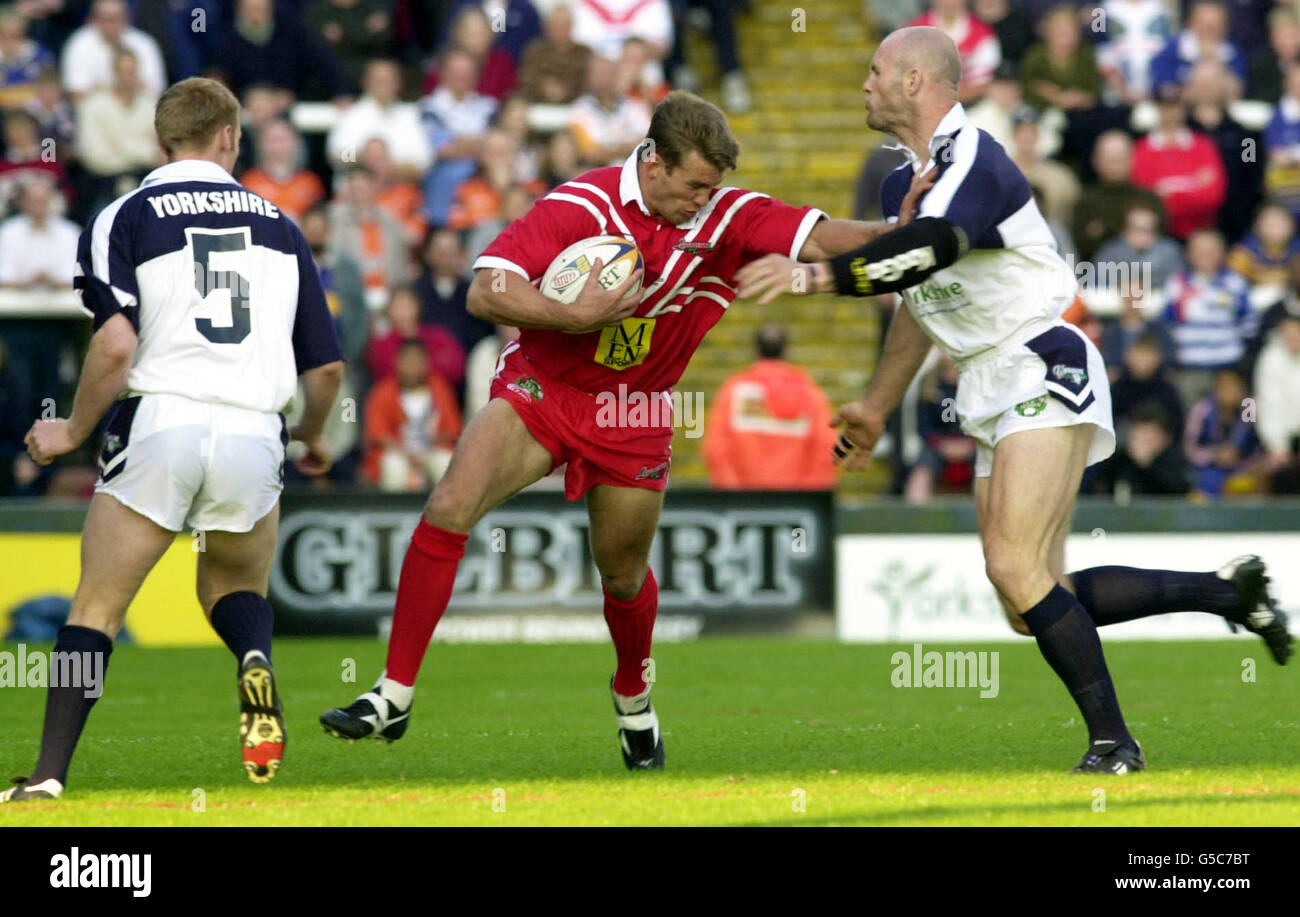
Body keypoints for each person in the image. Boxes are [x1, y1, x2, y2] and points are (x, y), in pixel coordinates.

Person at [320, 89, 933, 769]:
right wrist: (575, 312)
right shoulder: (582, 204)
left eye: (714, 186)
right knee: (449, 505)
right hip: (544, 389)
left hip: (635, 412)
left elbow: (824, 238)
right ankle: (393, 692)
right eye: (694, 184)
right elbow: (486, 287)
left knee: (621, 572)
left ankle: (633, 696)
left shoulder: (726, 215)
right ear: (654, 164)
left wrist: (903, 232)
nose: (705, 199)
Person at [734, 27, 1290, 774]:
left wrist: (812, 277)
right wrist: (874, 402)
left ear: (913, 82)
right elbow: (916, 297)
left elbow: (930, 249)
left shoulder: (978, 160)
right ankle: (1228, 595)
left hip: (1040, 361)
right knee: (1030, 598)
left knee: (1012, 565)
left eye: (874, 71)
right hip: (993, 382)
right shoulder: (904, 185)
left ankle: (1115, 744)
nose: (862, 84)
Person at [1, 77, 345, 803]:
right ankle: (253, 656)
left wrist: (70, 429)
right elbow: (328, 365)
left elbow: (117, 343)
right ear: (229, 138)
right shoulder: (282, 224)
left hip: (163, 419)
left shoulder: (124, 213)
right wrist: (311, 437)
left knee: (94, 608)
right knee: (232, 584)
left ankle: (50, 774)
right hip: (255, 428)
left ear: (161, 142)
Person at [701, 325, 839, 490]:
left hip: (743, 504)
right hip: (796, 505)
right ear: (785, 352)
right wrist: (808, 497)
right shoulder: (808, 392)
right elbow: (826, 447)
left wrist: (732, 494)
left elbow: (716, 448)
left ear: (755, 351)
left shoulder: (734, 390)